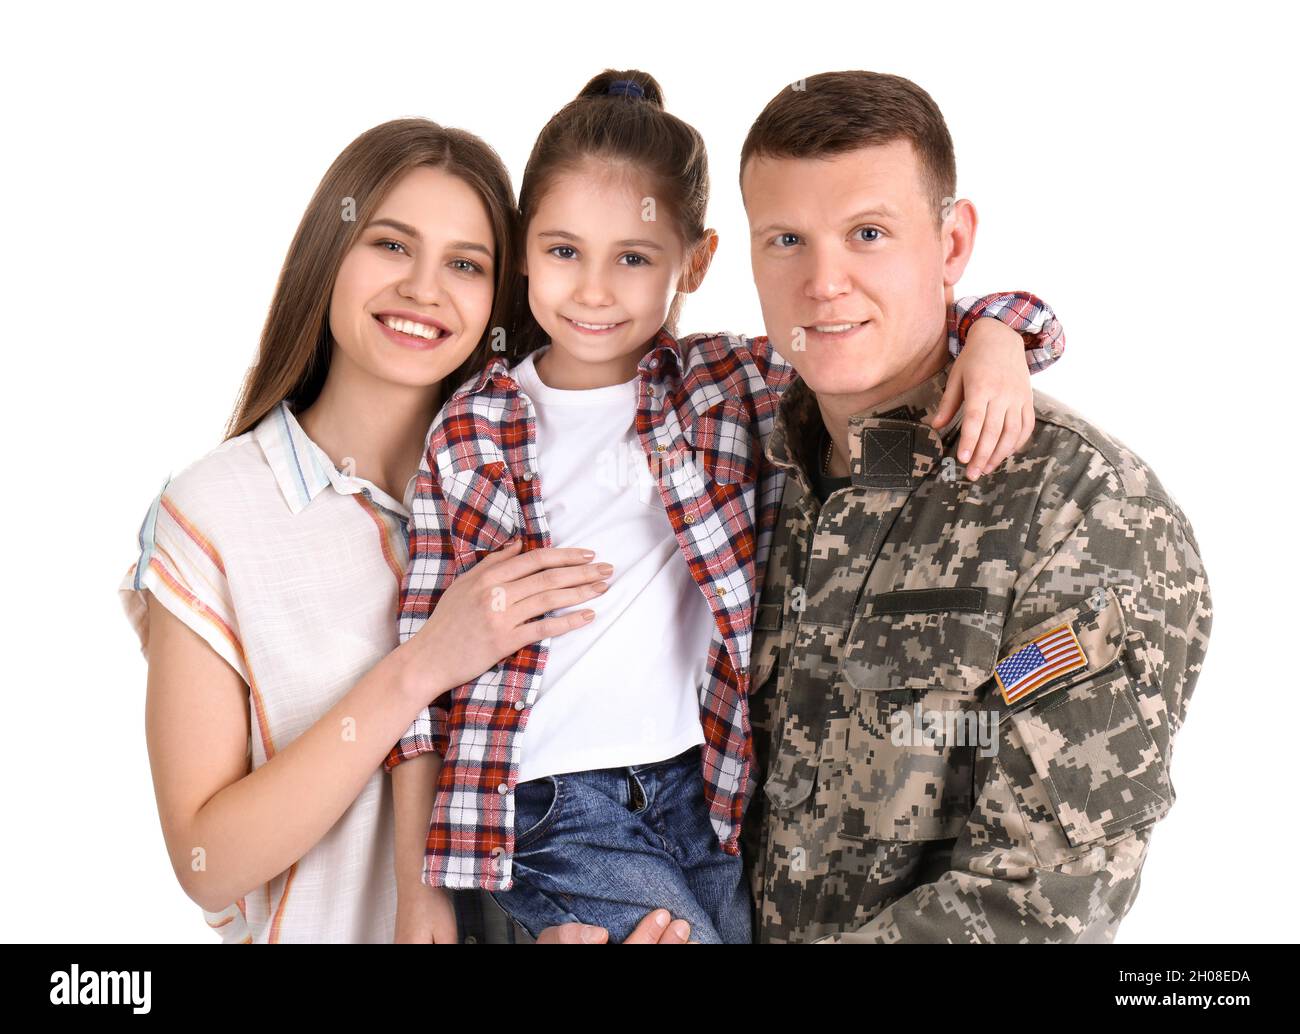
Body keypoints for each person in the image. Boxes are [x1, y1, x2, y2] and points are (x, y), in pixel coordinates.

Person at [387, 70, 1066, 944]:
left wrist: (999, 339)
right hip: (548, 799)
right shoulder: (470, 429)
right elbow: (421, 667)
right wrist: (421, 893)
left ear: (696, 262)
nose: (595, 290)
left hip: (697, 792)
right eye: (564, 251)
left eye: (633, 258)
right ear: (524, 250)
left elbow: (879, 342)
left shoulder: (720, 387)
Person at [734, 70, 1214, 942]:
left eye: (868, 234)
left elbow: (1041, 899)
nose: (824, 283)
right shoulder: (737, 464)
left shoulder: (1081, 506)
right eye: (786, 240)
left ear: (951, 243)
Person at [118, 118, 610, 943]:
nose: (425, 289)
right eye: (391, 245)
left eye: (465, 264)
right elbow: (207, 858)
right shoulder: (215, 515)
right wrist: (424, 663)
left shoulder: (542, 489)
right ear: (329, 256)